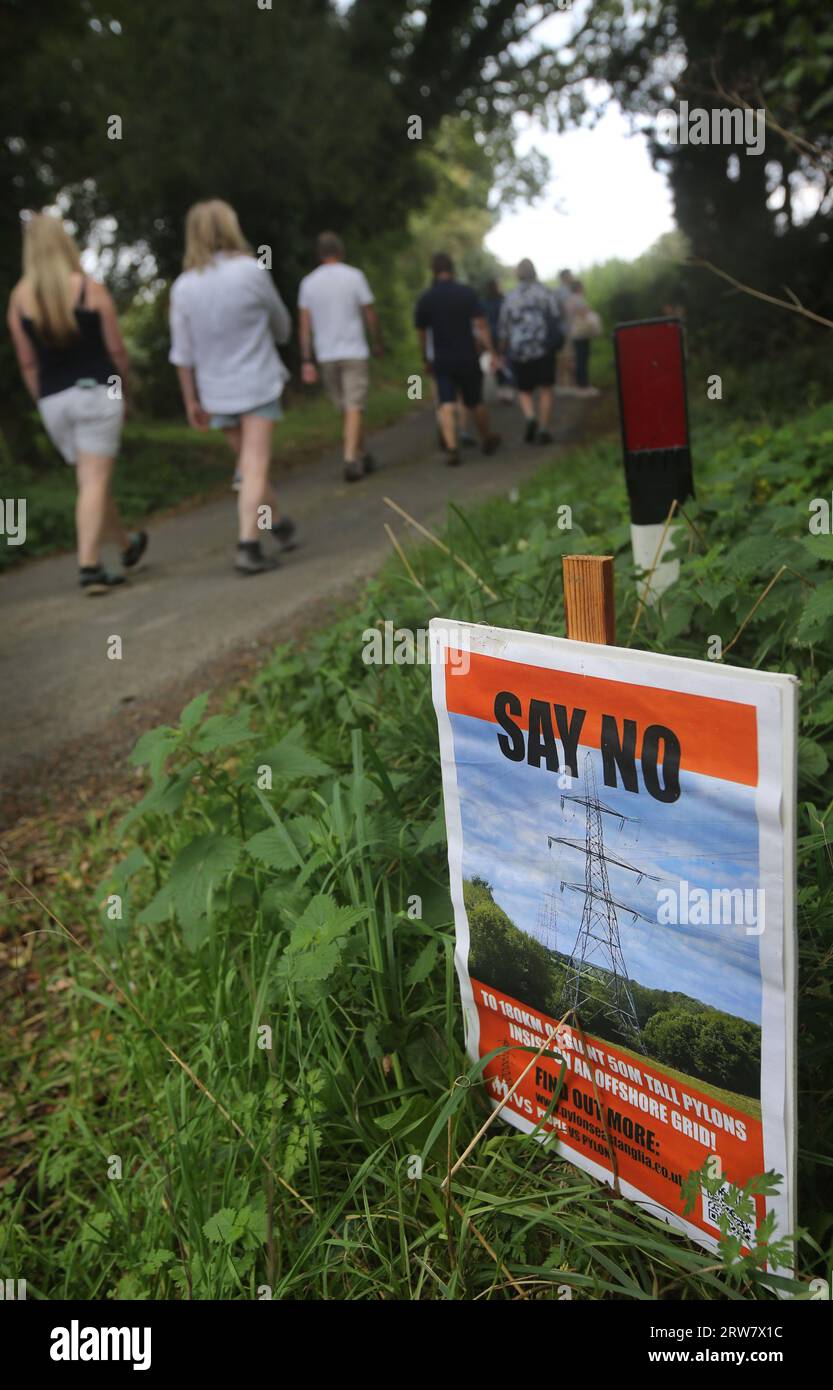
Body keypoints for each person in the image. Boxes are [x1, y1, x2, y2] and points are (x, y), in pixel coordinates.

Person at [7, 213, 145, 595]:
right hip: (97, 393)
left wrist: (44, 402)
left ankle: (127, 546)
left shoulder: (19, 300)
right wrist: (124, 393)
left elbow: (27, 363)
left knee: (91, 480)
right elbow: (116, 351)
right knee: (94, 480)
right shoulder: (88, 289)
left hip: (53, 402)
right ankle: (89, 567)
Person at [169, 199, 296, 576]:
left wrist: (190, 399)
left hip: (214, 390)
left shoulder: (183, 287)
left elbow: (182, 354)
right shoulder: (251, 271)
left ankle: (277, 523)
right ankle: (248, 546)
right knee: (254, 466)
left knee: (248, 467)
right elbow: (282, 326)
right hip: (257, 381)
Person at [298, 232, 382, 483]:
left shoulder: (308, 283)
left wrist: (307, 360)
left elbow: (304, 325)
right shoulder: (354, 276)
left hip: (326, 354)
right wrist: (377, 341)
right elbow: (370, 313)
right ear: (341, 251)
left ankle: (358, 454)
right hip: (353, 350)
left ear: (319, 254)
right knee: (354, 407)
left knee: (347, 408)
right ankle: (351, 458)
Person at [414, 253, 501, 467]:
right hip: (467, 356)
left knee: (445, 403)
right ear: (452, 269)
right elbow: (481, 326)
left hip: (441, 359)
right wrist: (492, 351)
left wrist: (425, 357)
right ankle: (486, 437)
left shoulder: (426, 298)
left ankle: (452, 447)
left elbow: (422, 334)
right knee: (475, 401)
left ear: (433, 271)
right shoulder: (467, 293)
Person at [497, 258, 562, 444]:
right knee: (546, 388)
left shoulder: (510, 297)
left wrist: (501, 350)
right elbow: (556, 317)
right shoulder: (545, 292)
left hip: (519, 351)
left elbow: (503, 327)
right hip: (543, 348)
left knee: (523, 389)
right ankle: (543, 427)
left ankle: (530, 417)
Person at [564, 279, 601, 396]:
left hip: (574, 333)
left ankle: (580, 385)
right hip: (581, 333)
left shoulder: (569, 299)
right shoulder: (578, 299)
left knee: (579, 359)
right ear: (579, 288)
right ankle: (583, 386)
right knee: (582, 360)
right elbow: (583, 313)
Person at [482, 278, 515, 404]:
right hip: (504, 335)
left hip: (489, 336)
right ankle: (507, 391)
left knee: (496, 361)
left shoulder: (483, 302)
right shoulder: (504, 301)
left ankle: (502, 391)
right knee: (506, 361)